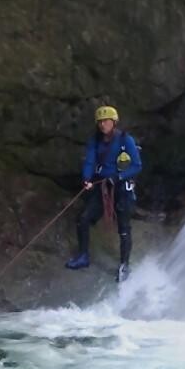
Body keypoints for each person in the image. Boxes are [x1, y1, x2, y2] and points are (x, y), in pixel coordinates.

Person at [65, 105, 143, 281]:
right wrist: (86, 179)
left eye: (105, 121)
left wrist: (118, 177)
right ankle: (83, 256)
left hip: (122, 188)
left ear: (114, 122)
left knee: (124, 228)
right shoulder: (95, 141)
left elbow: (137, 166)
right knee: (83, 218)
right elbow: (90, 161)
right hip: (103, 188)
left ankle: (124, 265)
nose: (102, 124)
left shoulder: (125, 140)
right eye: (100, 121)